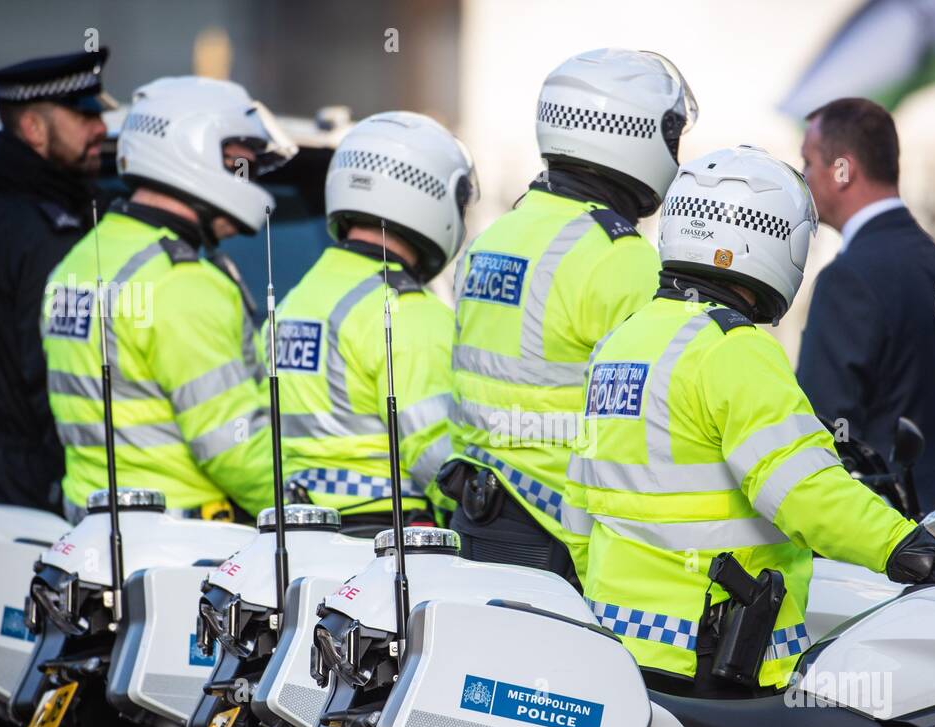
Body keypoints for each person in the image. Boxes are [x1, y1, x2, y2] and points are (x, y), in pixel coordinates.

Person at [567, 146, 935, 697]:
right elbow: (804, 491)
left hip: (622, 648)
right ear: (767, 241)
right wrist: (913, 548)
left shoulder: (624, 341)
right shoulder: (731, 349)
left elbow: (578, 506)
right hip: (712, 654)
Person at [438, 48, 696, 584]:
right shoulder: (619, 257)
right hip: (562, 540)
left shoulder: (495, 237)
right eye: (670, 134)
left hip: (477, 521)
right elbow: (658, 420)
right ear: (632, 134)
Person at [42, 76, 297, 522]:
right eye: (242, 163)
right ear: (193, 151)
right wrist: (305, 510)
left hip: (92, 535)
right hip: (183, 549)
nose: (249, 178)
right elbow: (232, 447)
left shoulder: (81, 262)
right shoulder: (181, 282)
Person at [0, 49, 114, 514]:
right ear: (33, 128)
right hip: (46, 492)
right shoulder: (51, 239)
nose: (101, 128)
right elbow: (55, 385)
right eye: (84, 113)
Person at [270, 111, 476, 531]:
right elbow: (438, 461)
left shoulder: (295, 302)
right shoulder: (410, 313)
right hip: (389, 548)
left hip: (302, 541)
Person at [796, 97, 935, 512]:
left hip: (880, 542)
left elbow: (821, 436)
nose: (804, 178)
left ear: (843, 170)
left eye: (807, 162)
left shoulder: (847, 278)